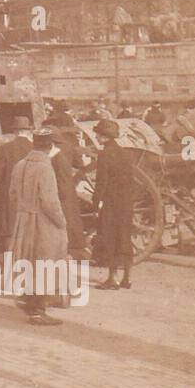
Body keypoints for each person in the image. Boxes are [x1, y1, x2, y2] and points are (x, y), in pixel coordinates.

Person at [8, 130, 70, 325]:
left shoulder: (19, 165)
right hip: (42, 221)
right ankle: (38, 310)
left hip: (23, 220)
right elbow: (50, 202)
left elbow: (12, 194)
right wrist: (61, 222)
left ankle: (28, 300)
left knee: (27, 259)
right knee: (45, 261)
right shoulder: (45, 168)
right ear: (50, 146)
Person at [92, 119, 135, 290]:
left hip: (111, 202)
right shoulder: (125, 154)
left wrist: (96, 203)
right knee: (125, 236)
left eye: (98, 133)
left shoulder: (104, 154)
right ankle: (127, 278)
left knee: (110, 238)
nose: (96, 136)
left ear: (104, 136)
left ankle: (112, 279)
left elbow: (101, 182)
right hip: (125, 202)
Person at [0, 116, 34, 253]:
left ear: (15, 132)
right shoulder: (36, 148)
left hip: (11, 195)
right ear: (28, 131)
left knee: (9, 227)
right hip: (32, 195)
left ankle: (11, 262)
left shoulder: (6, 149)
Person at [50, 128, 87, 258]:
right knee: (72, 218)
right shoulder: (69, 147)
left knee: (58, 219)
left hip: (55, 189)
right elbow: (80, 165)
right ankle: (77, 248)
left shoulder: (50, 152)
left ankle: (62, 250)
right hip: (69, 188)